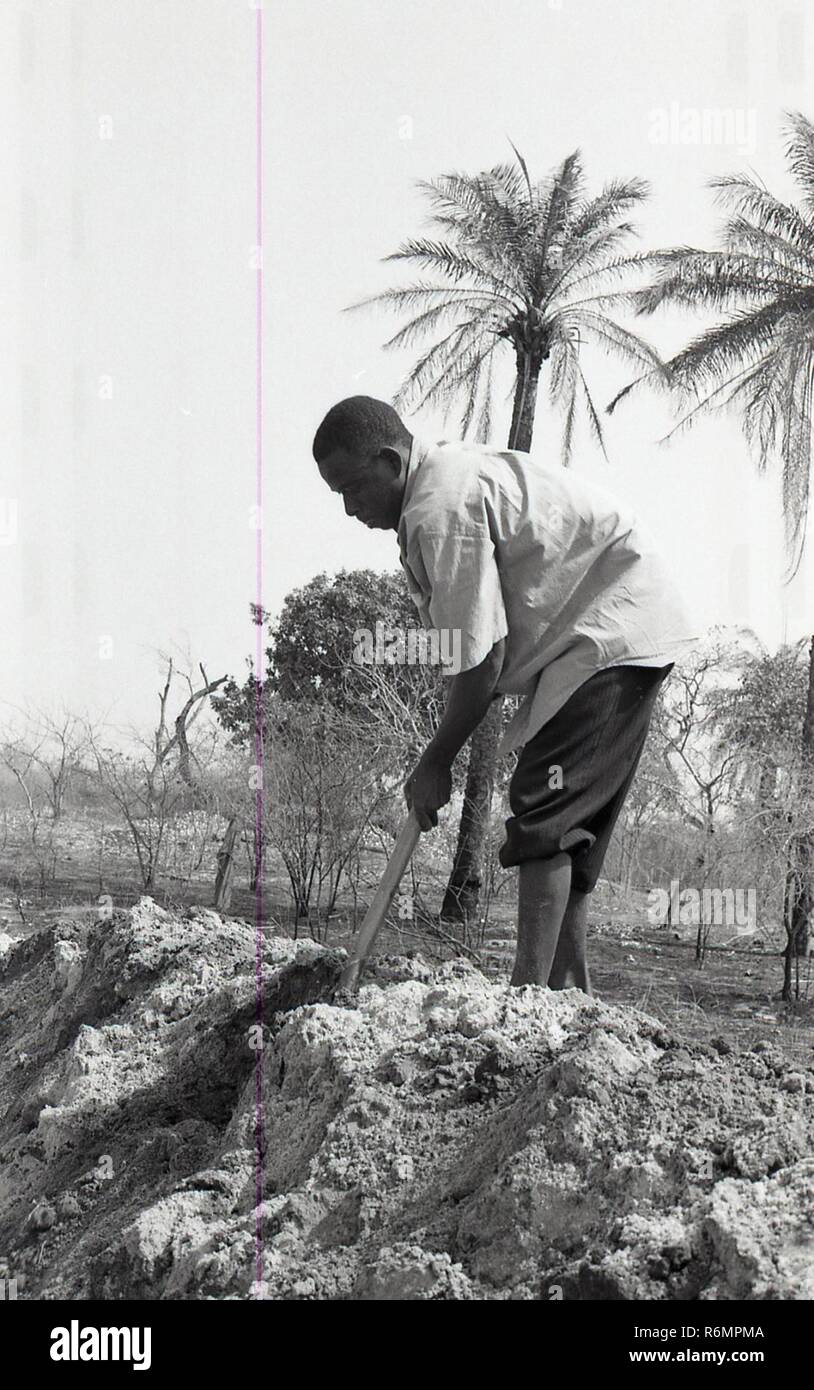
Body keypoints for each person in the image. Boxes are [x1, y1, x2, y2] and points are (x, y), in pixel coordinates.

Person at [313, 395, 697, 993]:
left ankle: (525, 1000)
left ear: (390, 461)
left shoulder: (441, 506)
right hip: (604, 635)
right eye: (337, 495)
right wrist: (444, 742)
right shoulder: (434, 489)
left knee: (543, 809)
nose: (348, 508)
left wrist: (435, 760)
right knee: (566, 827)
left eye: (353, 487)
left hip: (609, 631)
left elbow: (482, 657)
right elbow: (470, 655)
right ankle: (568, 998)